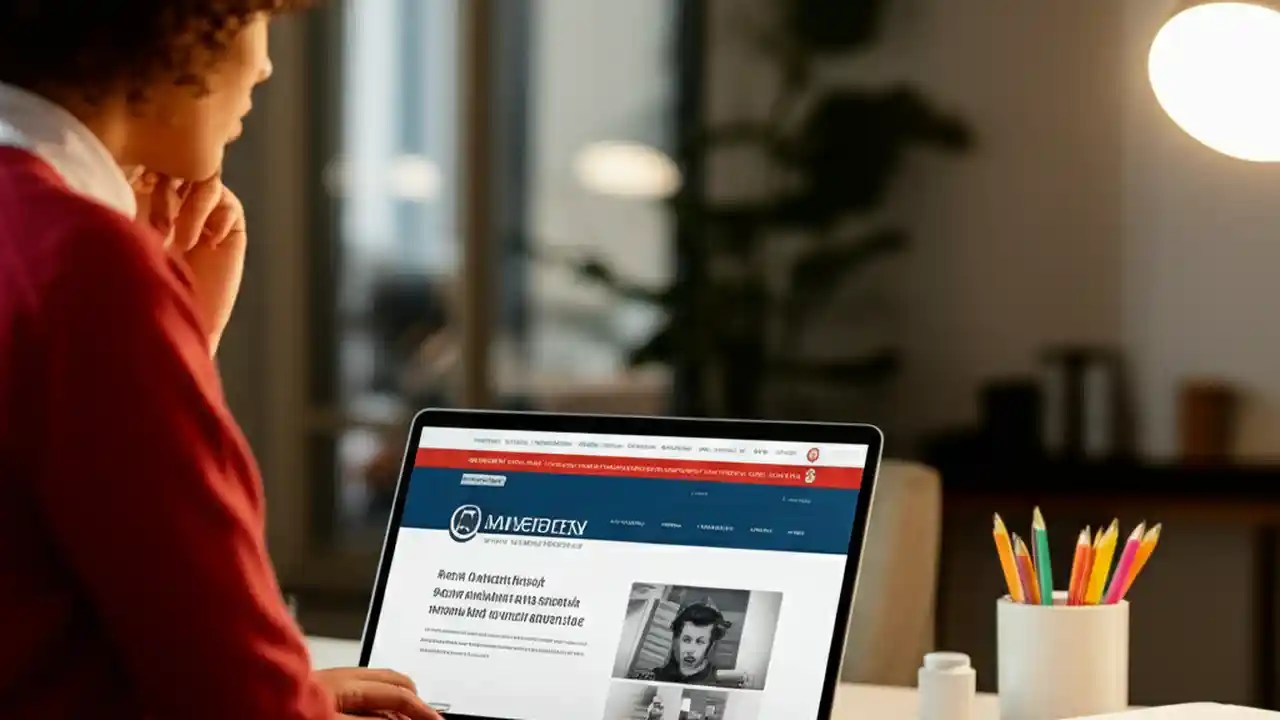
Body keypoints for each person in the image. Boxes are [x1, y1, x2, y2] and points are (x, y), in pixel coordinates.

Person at [0, 3, 439, 718]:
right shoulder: (87, 265)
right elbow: (238, 699)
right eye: (254, 16)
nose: (264, 63)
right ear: (177, 24)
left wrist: (183, 341)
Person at [649, 601, 732, 686]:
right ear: (676, 640)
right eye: (687, 640)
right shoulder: (657, 676)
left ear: (710, 645)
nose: (690, 650)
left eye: (700, 642)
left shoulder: (717, 682)